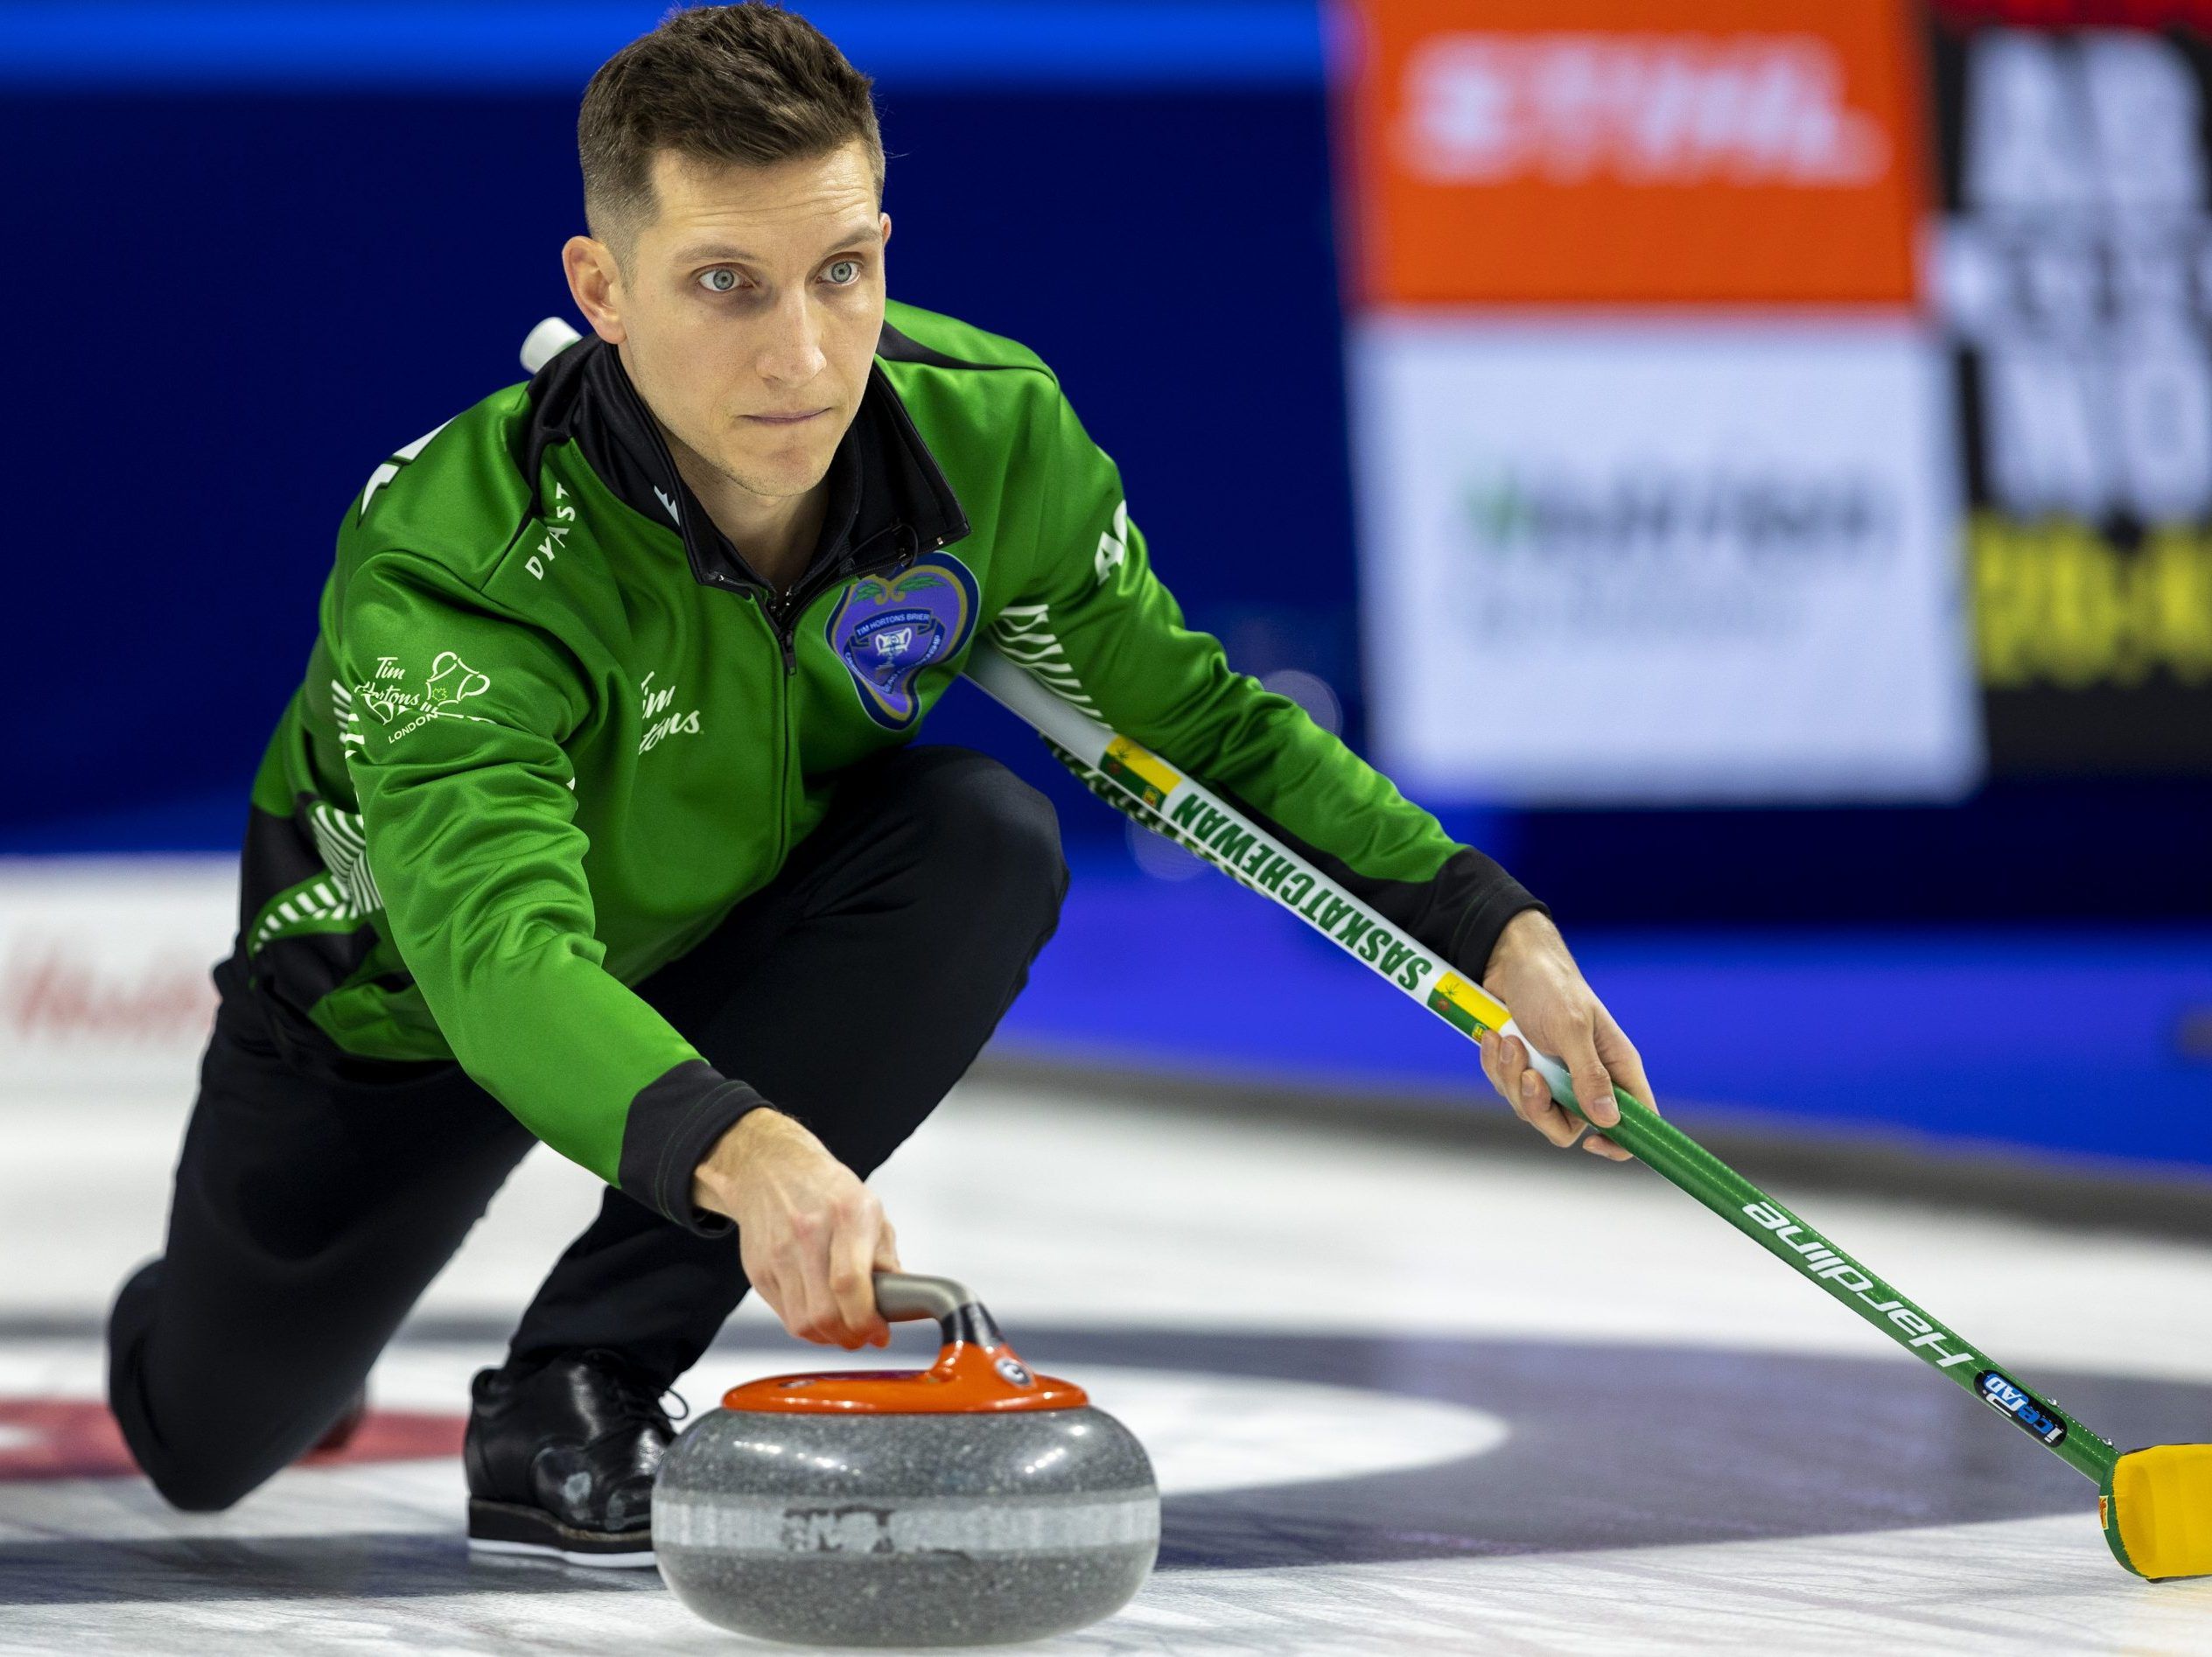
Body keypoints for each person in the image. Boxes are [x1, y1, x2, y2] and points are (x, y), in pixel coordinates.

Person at [105, 0, 1656, 1567]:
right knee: (217, 1440)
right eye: (726, 285)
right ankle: (226, 1341)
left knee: (980, 838)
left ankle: (582, 1377)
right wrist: (750, 1143)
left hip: (717, 926)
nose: (803, 356)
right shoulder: (458, 565)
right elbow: (501, 958)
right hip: (400, 1010)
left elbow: (1203, 726)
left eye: (842, 271)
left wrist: (1490, 929)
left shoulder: (991, 439)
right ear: (604, 290)